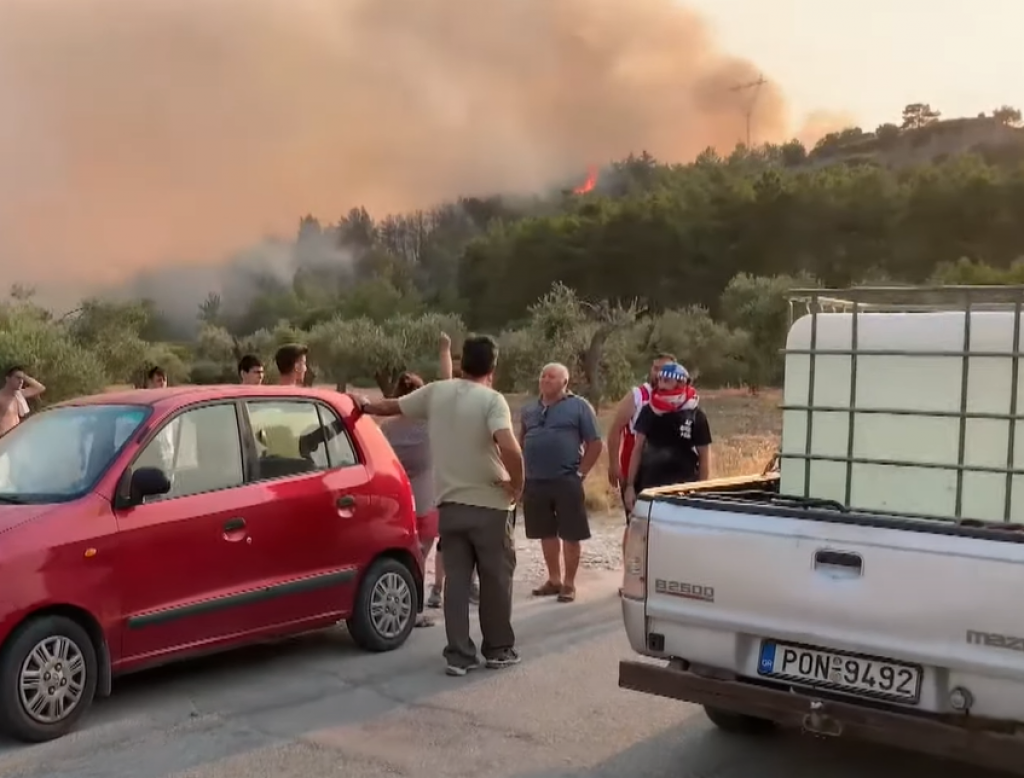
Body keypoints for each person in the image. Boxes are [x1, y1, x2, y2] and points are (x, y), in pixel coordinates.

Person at [352, 334, 524, 677]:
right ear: (493, 366)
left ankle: (458, 655)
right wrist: (516, 486)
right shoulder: (493, 401)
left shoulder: (436, 392)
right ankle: (498, 649)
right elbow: (511, 448)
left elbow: (390, 406)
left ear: (462, 364)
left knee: (456, 582)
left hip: (449, 504)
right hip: (490, 505)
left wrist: (361, 403)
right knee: (495, 580)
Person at [520, 363, 602, 603]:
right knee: (545, 532)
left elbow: (595, 443)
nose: (545, 379)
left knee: (571, 532)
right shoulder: (529, 410)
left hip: (566, 479)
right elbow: (521, 441)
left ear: (565, 382)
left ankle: (569, 583)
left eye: (551, 376)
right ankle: (554, 579)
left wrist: (580, 474)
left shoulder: (579, 407)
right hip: (535, 480)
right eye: (543, 375)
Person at [622, 362, 712, 514]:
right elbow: (637, 449)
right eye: (660, 380)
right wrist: (630, 486)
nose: (661, 385)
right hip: (650, 486)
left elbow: (705, 457)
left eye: (667, 381)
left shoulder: (696, 415)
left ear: (680, 383)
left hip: (684, 489)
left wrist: (701, 490)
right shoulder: (649, 410)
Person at [605, 353, 676, 542]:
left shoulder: (681, 399)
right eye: (656, 368)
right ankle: (631, 570)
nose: (659, 373)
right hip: (635, 472)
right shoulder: (638, 396)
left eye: (665, 369)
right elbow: (615, 430)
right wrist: (614, 464)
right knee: (635, 525)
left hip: (667, 473)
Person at [0, 366, 45, 436]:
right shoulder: (1, 397)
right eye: (18, 378)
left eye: (22, 379)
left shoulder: (19, 394)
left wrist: (25, 377)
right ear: (8, 379)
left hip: (17, 436)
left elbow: (40, 388)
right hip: (4, 438)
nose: (21, 381)